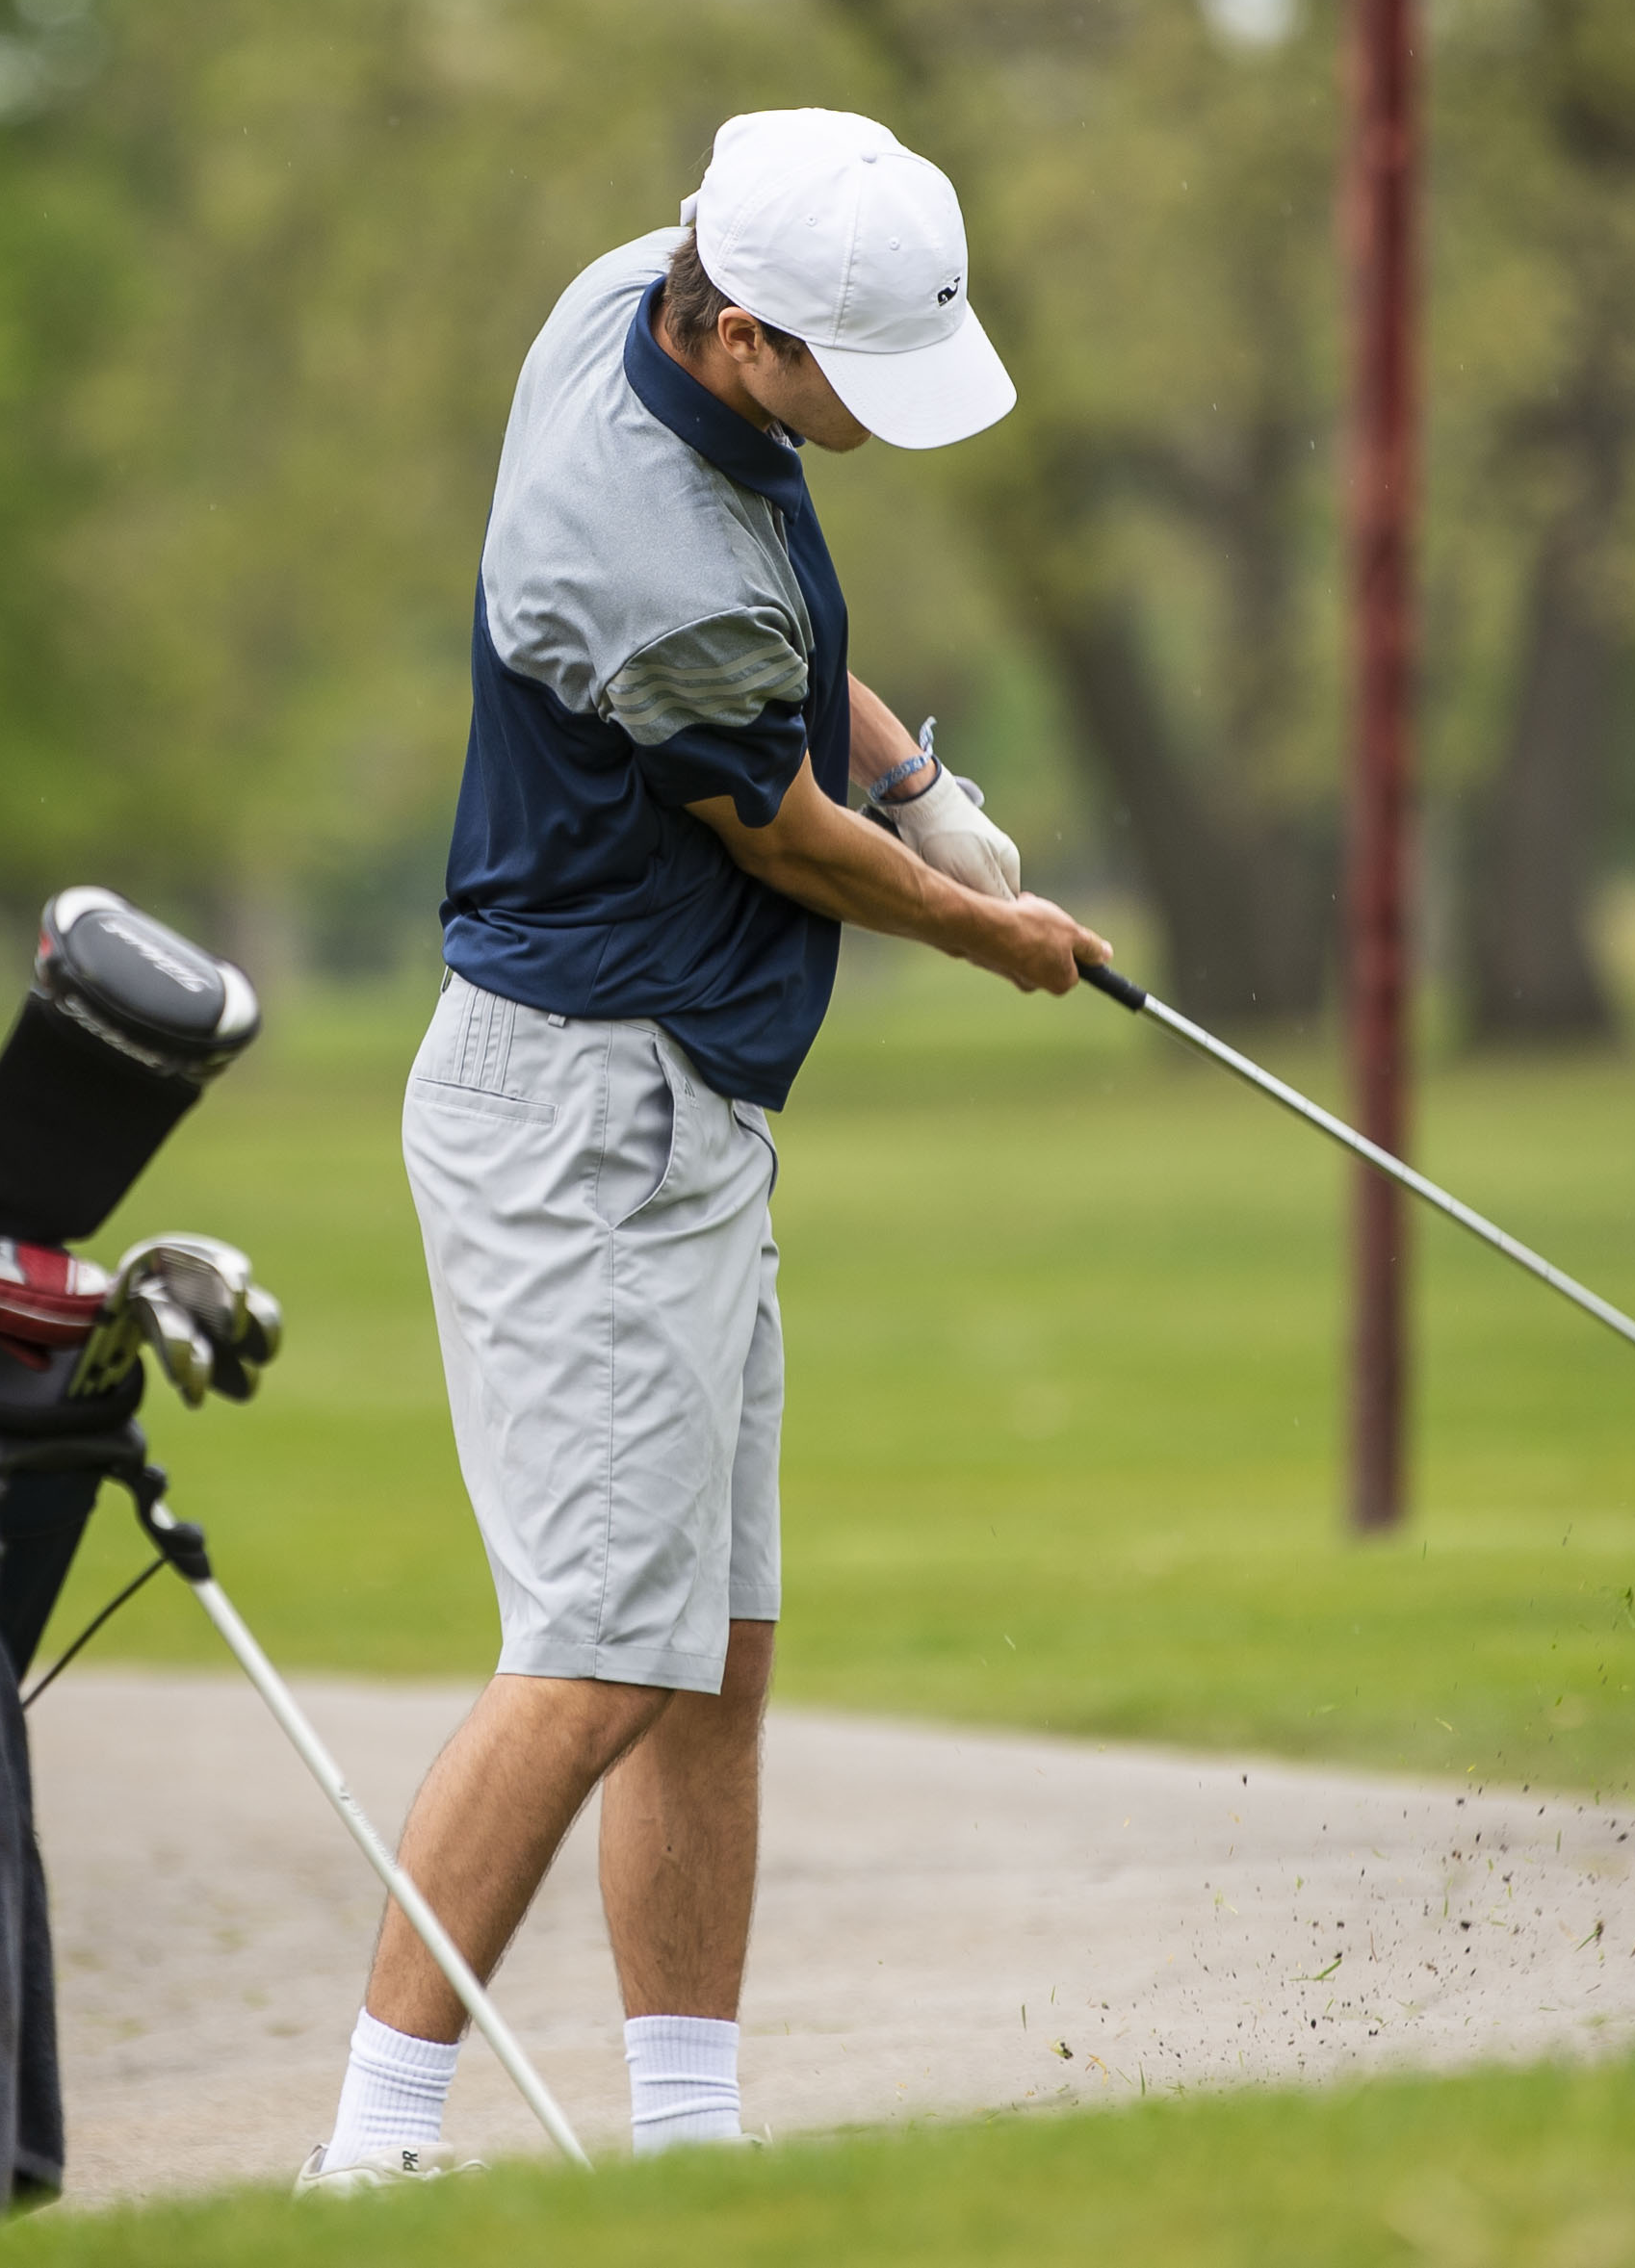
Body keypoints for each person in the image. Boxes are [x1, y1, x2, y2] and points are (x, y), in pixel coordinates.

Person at [301, 109, 1110, 2186]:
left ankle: (689, 2152)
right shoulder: (623, 543)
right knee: (589, 1655)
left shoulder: (623, 289)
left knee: (711, 1661)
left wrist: (923, 769)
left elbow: (803, 663)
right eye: (852, 377)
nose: (875, 421)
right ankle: (363, 2157)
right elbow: (776, 824)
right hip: (578, 1113)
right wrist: (982, 917)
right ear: (740, 334)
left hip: (677, 1105)